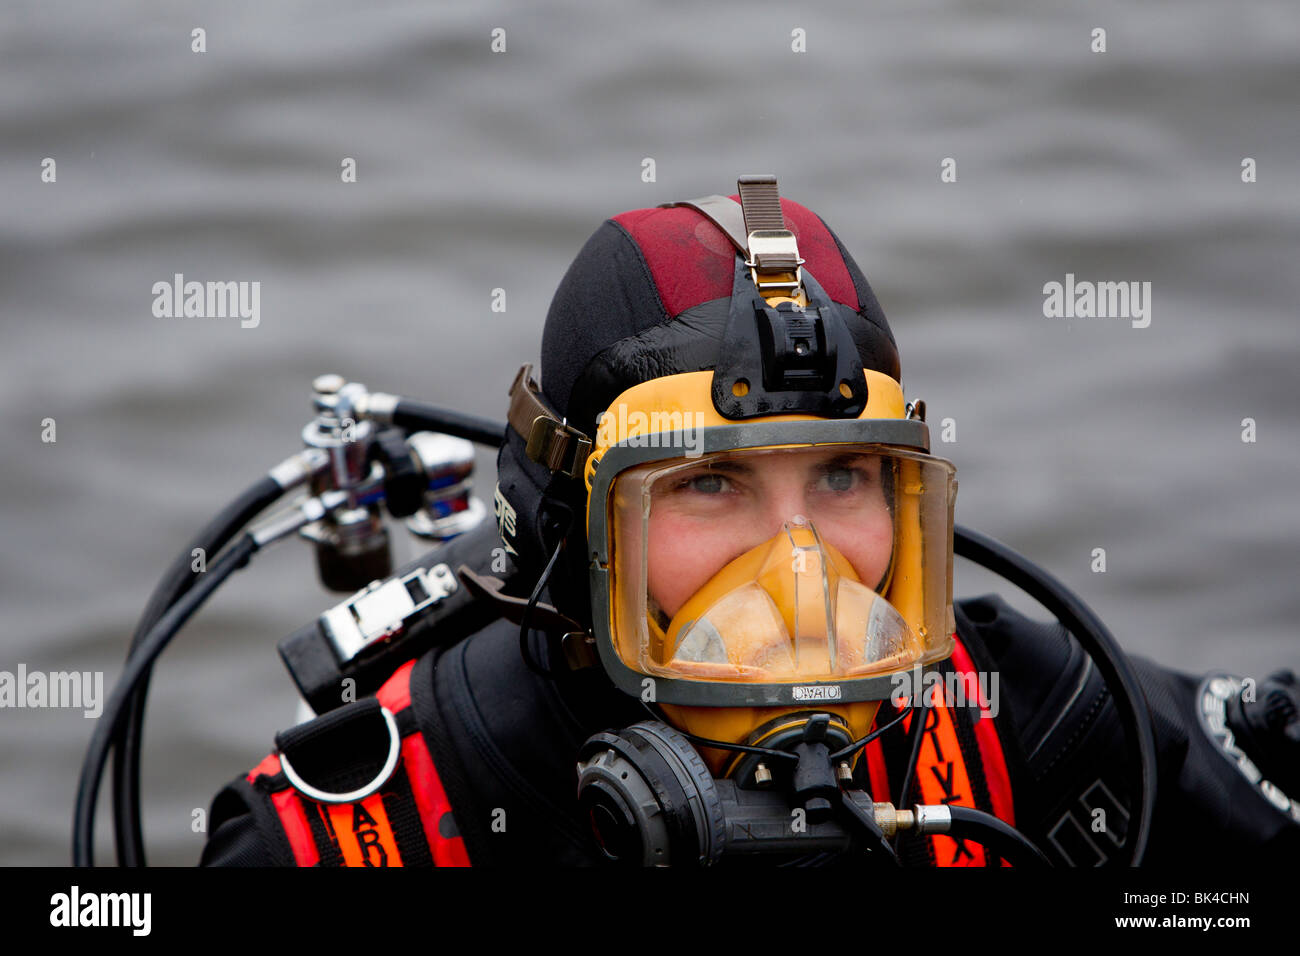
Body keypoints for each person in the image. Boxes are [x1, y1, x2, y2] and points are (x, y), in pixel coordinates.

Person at [200, 175, 1300, 867]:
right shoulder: (356, 829)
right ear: (570, 531)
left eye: (843, 478)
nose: (803, 568)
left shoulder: (1026, 713)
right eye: (709, 485)